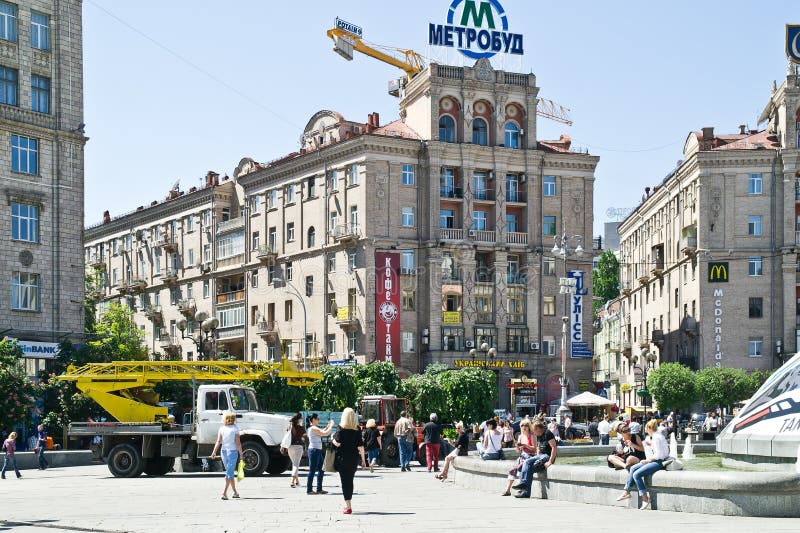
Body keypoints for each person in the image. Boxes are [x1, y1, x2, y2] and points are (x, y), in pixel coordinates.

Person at [617, 419, 670, 510]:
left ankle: (645, 499)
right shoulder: (657, 436)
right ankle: (627, 491)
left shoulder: (656, 438)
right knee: (633, 468)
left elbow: (659, 455)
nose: (645, 431)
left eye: (646, 429)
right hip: (655, 460)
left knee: (636, 474)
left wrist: (648, 461)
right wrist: (649, 445)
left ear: (650, 428)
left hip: (659, 462)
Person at [332, 407, 366, 515]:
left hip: (342, 459)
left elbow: (337, 443)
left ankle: (348, 506)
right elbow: (361, 446)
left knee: (344, 481)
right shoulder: (357, 429)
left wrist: (332, 439)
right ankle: (348, 503)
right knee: (350, 480)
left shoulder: (340, 428)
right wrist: (363, 461)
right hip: (353, 459)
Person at [513, 420, 558, 498]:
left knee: (536, 462)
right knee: (527, 463)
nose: (534, 433)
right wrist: (537, 453)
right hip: (540, 455)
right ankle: (525, 491)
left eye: (534, 431)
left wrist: (550, 461)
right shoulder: (538, 435)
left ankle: (524, 486)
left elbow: (554, 447)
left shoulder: (548, 433)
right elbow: (538, 447)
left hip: (547, 456)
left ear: (538, 429)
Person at [209, 412, 243, 500]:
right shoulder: (235, 428)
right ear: (233, 419)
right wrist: (241, 454)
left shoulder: (222, 428)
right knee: (229, 473)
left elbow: (218, 441)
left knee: (229, 473)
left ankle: (235, 492)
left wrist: (214, 452)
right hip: (232, 452)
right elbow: (238, 443)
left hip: (223, 452)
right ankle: (224, 493)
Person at [501, 419, 536, 496]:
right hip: (522, 456)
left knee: (520, 468)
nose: (524, 427)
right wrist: (517, 447)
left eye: (526, 425)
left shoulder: (532, 435)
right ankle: (508, 490)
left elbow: (534, 449)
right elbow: (518, 451)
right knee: (512, 470)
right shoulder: (520, 436)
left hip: (530, 456)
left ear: (529, 426)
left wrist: (525, 445)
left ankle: (521, 490)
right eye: (522, 425)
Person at [306, 413, 334, 495]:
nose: (318, 420)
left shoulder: (314, 428)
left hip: (317, 450)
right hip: (314, 450)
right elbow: (324, 434)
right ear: (313, 420)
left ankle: (319, 489)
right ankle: (309, 490)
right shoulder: (313, 428)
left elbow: (322, 432)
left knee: (322, 469)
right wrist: (331, 426)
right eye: (317, 419)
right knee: (312, 471)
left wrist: (327, 427)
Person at [287, 413, 306, 488]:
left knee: (294, 464)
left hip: (290, 447)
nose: (302, 419)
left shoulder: (289, 426)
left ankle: (297, 482)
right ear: (299, 419)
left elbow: (286, 436)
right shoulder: (301, 428)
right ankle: (292, 481)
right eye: (301, 418)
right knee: (296, 464)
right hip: (298, 447)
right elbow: (306, 436)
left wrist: (282, 446)